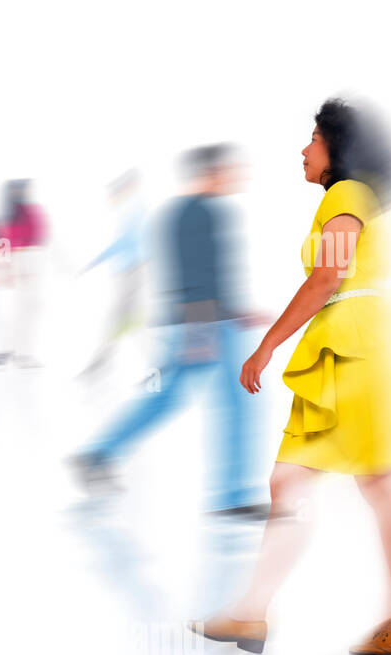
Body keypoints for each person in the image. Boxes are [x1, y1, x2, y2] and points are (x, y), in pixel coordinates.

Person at [192, 99, 391, 655]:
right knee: (298, 481)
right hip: (339, 348)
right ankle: (252, 613)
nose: (303, 150)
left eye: (313, 139)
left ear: (337, 149)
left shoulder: (345, 195)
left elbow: (327, 276)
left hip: (352, 349)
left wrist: (265, 346)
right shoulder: (347, 199)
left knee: (378, 481)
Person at [72, 145, 266, 517]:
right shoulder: (207, 211)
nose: (237, 176)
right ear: (213, 171)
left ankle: (97, 454)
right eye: (231, 170)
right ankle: (233, 496)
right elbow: (207, 274)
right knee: (239, 400)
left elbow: (185, 273)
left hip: (190, 318)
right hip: (209, 321)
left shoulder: (174, 211)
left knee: (167, 397)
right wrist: (232, 314)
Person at [77, 169, 149, 382]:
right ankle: (102, 362)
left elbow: (125, 243)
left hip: (133, 272)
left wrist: (94, 262)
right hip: (129, 273)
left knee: (125, 321)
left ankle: (101, 363)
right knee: (127, 322)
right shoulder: (131, 211)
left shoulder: (136, 211)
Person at [0, 179, 48, 368]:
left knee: (29, 309)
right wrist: (3, 268)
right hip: (25, 261)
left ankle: (21, 352)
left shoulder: (19, 212)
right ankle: (22, 354)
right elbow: (3, 243)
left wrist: (4, 267)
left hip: (30, 261)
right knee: (27, 309)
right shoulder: (16, 214)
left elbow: (3, 243)